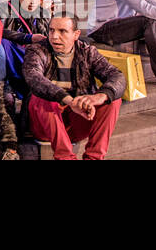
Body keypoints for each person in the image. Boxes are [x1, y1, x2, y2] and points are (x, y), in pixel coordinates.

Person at [22, 14, 126, 160]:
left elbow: (117, 76)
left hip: (77, 120)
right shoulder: (37, 50)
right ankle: (65, 157)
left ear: (76, 34)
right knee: (42, 97)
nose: (55, 37)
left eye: (62, 31)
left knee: (112, 99)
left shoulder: (87, 52)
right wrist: (68, 100)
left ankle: (94, 157)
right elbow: (34, 78)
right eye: (51, 30)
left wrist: (99, 96)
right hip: (45, 124)